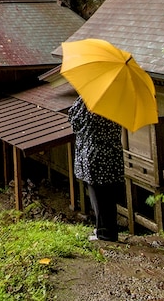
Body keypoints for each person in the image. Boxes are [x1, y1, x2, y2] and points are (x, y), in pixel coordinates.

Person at [66, 89, 125, 242]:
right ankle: (106, 229)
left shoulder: (91, 98)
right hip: (112, 153)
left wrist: (83, 98)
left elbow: (75, 120)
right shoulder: (117, 100)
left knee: (98, 194)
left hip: (94, 155)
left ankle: (105, 233)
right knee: (108, 195)